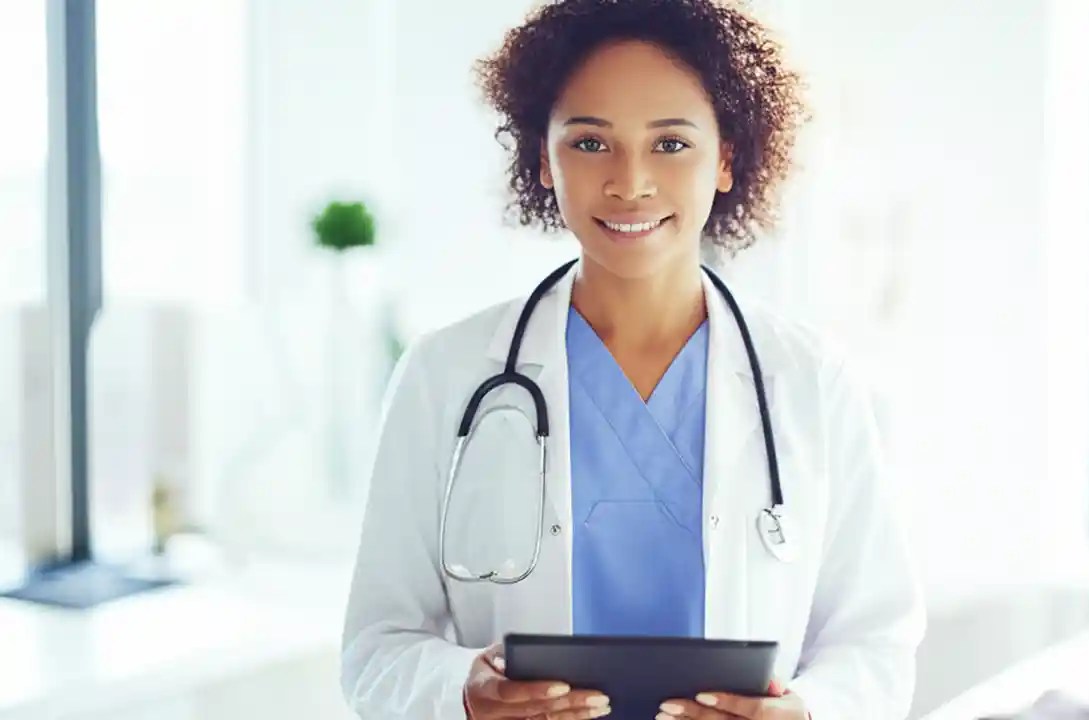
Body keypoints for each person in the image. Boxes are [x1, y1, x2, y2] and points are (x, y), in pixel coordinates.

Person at [340, 1, 925, 718]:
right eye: (589, 143)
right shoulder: (446, 375)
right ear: (542, 159)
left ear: (728, 158)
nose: (629, 182)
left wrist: (805, 712)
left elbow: (877, 643)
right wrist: (460, 694)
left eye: (671, 144)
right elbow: (377, 647)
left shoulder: (811, 381)